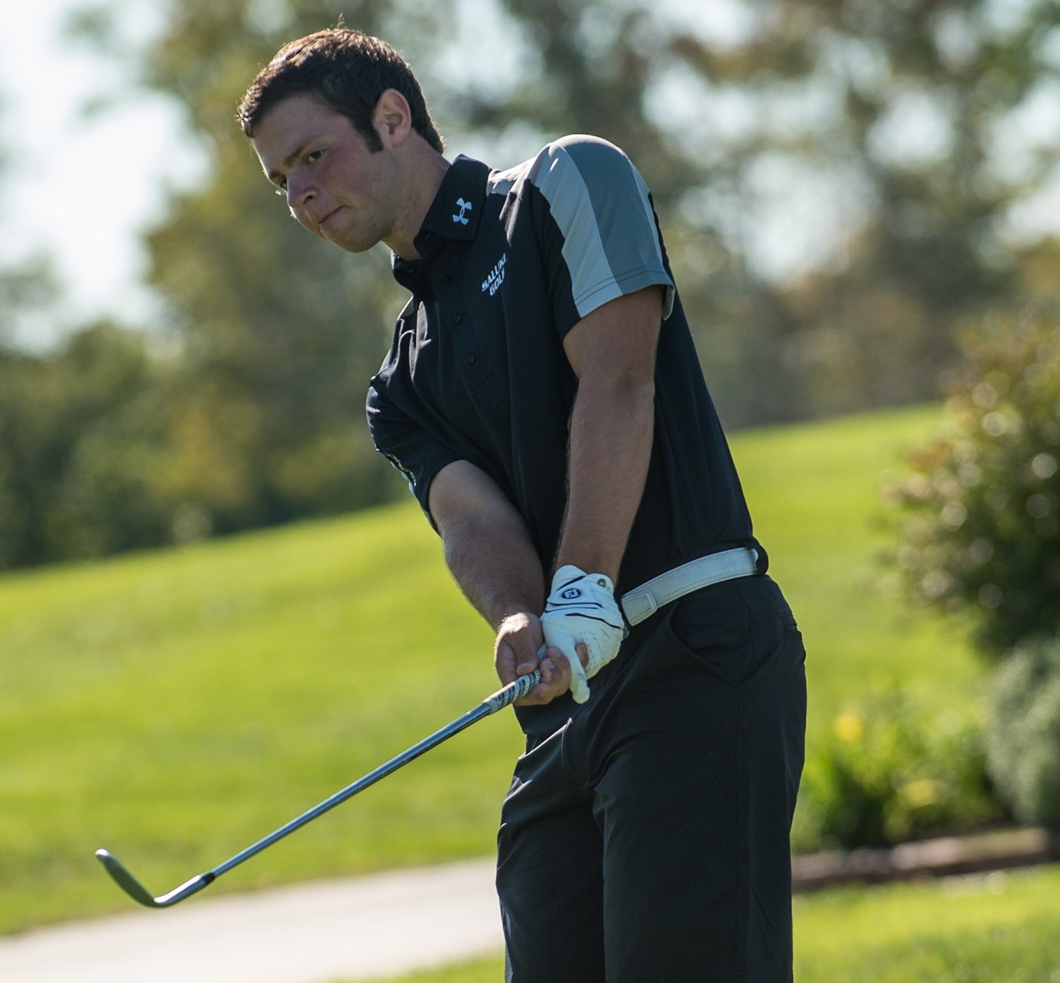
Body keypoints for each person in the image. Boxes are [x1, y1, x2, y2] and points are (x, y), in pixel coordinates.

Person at [238, 28, 807, 982]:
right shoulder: (398, 383)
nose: (299, 194)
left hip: (695, 648)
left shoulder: (566, 185)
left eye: (312, 157)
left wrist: (583, 586)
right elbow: (472, 519)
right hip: (567, 706)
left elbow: (620, 382)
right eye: (280, 180)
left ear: (392, 118)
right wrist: (518, 613)